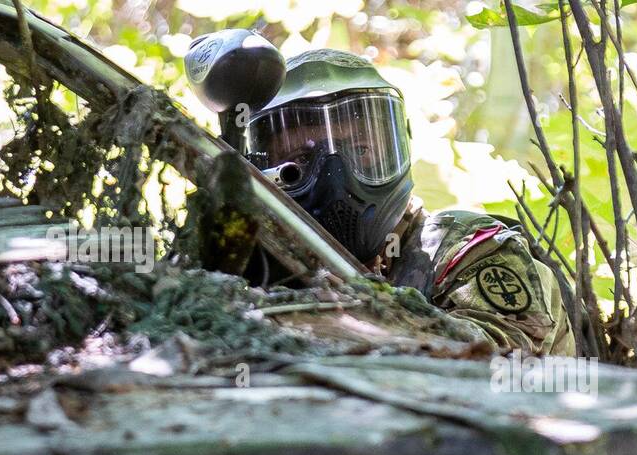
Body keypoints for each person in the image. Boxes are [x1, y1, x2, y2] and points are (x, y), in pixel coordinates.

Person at [243, 47, 575, 356]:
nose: (336, 176)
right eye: (302, 158)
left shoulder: (461, 250)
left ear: (397, 150)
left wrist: (335, 317)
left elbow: (496, 356)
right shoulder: (260, 262)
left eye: (361, 150)